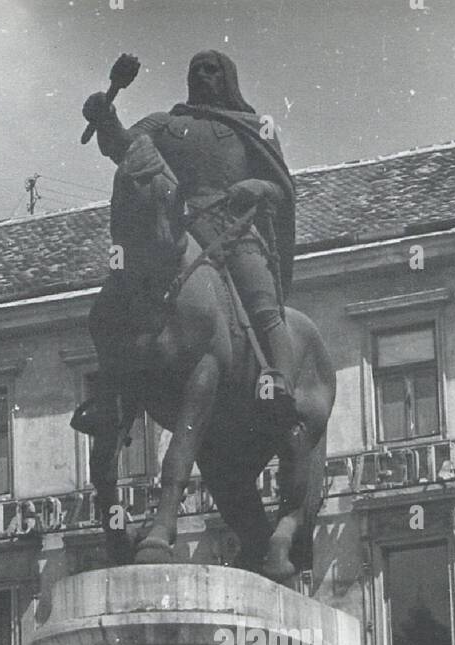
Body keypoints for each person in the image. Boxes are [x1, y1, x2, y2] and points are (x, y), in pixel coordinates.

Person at [80, 49, 298, 428]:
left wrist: (256, 186)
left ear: (228, 77)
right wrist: (106, 116)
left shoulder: (254, 125)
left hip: (232, 230)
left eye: (211, 70)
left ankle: (280, 382)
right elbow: (127, 148)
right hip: (175, 230)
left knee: (260, 299)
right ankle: (109, 399)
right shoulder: (164, 124)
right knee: (112, 304)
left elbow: (282, 189)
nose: (202, 76)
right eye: (195, 70)